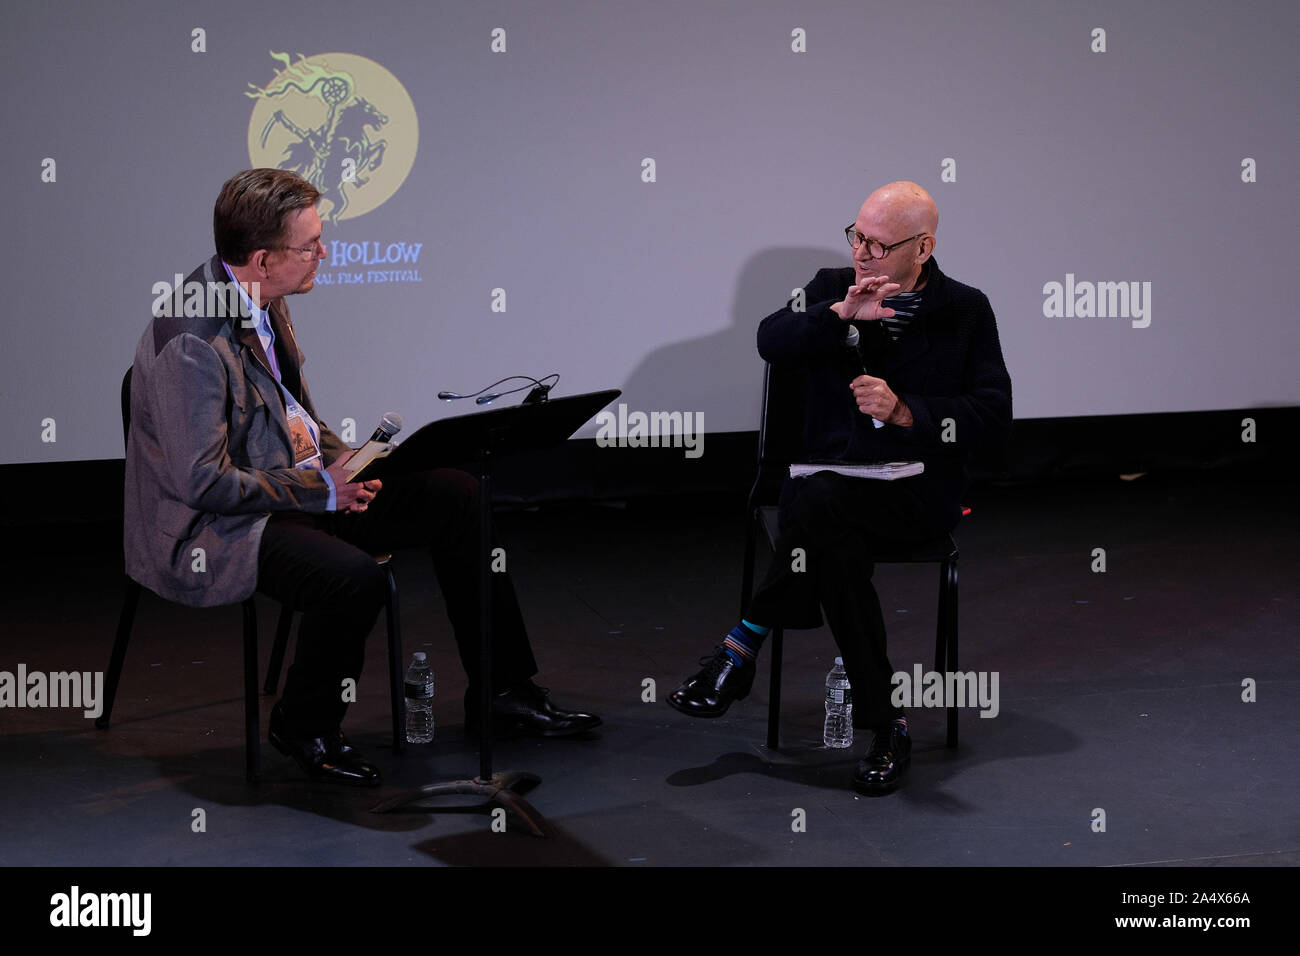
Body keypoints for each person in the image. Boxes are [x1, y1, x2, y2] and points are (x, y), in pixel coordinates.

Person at [124, 168, 600, 786]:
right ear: (263, 259)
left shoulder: (262, 294)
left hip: (287, 488)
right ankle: (304, 726)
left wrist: (346, 459)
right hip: (215, 526)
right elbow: (202, 483)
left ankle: (502, 691)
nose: (325, 253)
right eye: (311, 245)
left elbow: (292, 414)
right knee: (349, 576)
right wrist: (322, 490)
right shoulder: (193, 340)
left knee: (457, 494)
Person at [667, 181, 1012, 795]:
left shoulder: (965, 310)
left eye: (879, 245)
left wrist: (909, 412)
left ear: (923, 246)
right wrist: (838, 315)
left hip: (915, 492)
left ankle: (740, 647)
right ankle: (886, 727)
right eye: (856, 236)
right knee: (833, 538)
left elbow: (992, 416)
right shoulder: (831, 287)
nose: (862, 254)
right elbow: (770, 340)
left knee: (823, 522)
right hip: (824, 488)